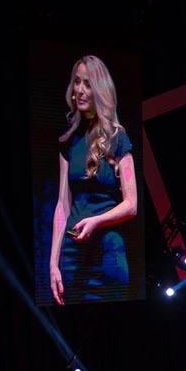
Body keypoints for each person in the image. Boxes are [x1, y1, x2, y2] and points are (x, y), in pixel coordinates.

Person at [49, 55, 137, 305]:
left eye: (87, 84)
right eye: (76, 82)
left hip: (108, 253)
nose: (79, 90)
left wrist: (96, 222)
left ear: (99, 89)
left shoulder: (118, 138)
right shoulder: (68, 141)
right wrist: (53, 263)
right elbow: (62, 204)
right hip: (73, 255)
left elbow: (131, 205)